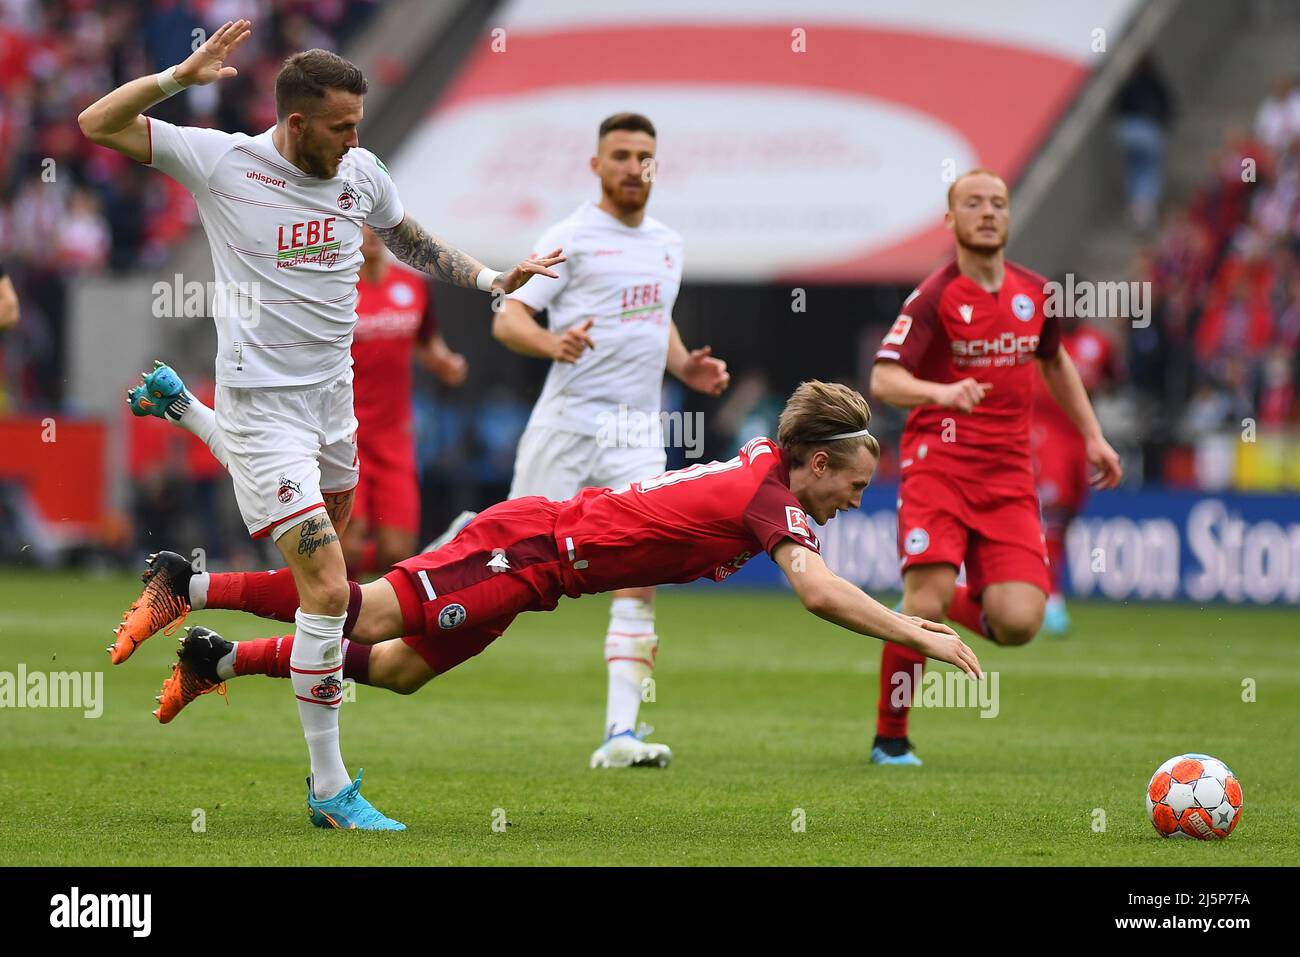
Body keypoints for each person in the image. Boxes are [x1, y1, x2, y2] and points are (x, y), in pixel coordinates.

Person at [80, 20, 562, 829]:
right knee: (333, 588)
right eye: (340, 128)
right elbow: (98, 124)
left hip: (331, 411)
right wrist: (178, 76)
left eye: (358, 128)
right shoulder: (225, 161)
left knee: (328, 591)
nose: (353, 142)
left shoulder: (360, 172)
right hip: (262, 408)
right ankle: (330, 788)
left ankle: (184, 479)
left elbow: (404, 234)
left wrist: (487, 278)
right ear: (297, 123)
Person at [125, 382, 979, 785]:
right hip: (529, 549)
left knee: (395, 669)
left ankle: (221, 659)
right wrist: (920, 631)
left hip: (541, 576)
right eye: (855, 485)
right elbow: (821, 592)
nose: (856, 501)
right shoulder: (770, 497)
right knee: (360, 611)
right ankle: (188, 587)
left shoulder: (768, 469)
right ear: (817, 463)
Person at [492, 112, 730, 768]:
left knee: (643, 566)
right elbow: (509, 319)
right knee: (500, 566)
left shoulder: (667, 243)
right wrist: (552, 342)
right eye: (620, 154)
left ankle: (621, 733)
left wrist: (685, 366)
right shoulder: (571, 237)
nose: (633, 165)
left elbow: (658, 316)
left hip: (635, 431)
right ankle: (386, 628)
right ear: (596, 165)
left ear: (656, 166)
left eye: (644, 156)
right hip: (566, 427)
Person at [868, 169, 1122, 766]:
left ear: (1009, 218)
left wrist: (1092, 436)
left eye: (997, 204)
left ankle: (918, 607)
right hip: (940, 466)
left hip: (1009, 477)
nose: (987, 212)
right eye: (973, 203)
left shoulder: (1036, 292)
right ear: (951, 220)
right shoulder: (934, 295)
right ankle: (890, 737)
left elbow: (1055, 362)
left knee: (1018, 623)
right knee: (925, 600)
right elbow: (883, 378)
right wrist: (940, 394)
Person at [344, 225, 467, 576]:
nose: (370, 233)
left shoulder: (412, 286)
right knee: (349, 545)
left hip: (395, 435)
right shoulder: (335, 290)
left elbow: (426, 341)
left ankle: (320, 581)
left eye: (376, 226)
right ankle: (336, 620)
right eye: (360, 226)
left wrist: (444, 361)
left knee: (396, 550)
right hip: (345, 433)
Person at [1030, 315, 1120, 635]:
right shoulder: (1036, 343)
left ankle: (1044, 593)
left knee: (1066, 518)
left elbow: (1113, 378)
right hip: (1045, 436)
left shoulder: (1097, 343)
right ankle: (1049, 598)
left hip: (1079, 440)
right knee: (1051, 517)